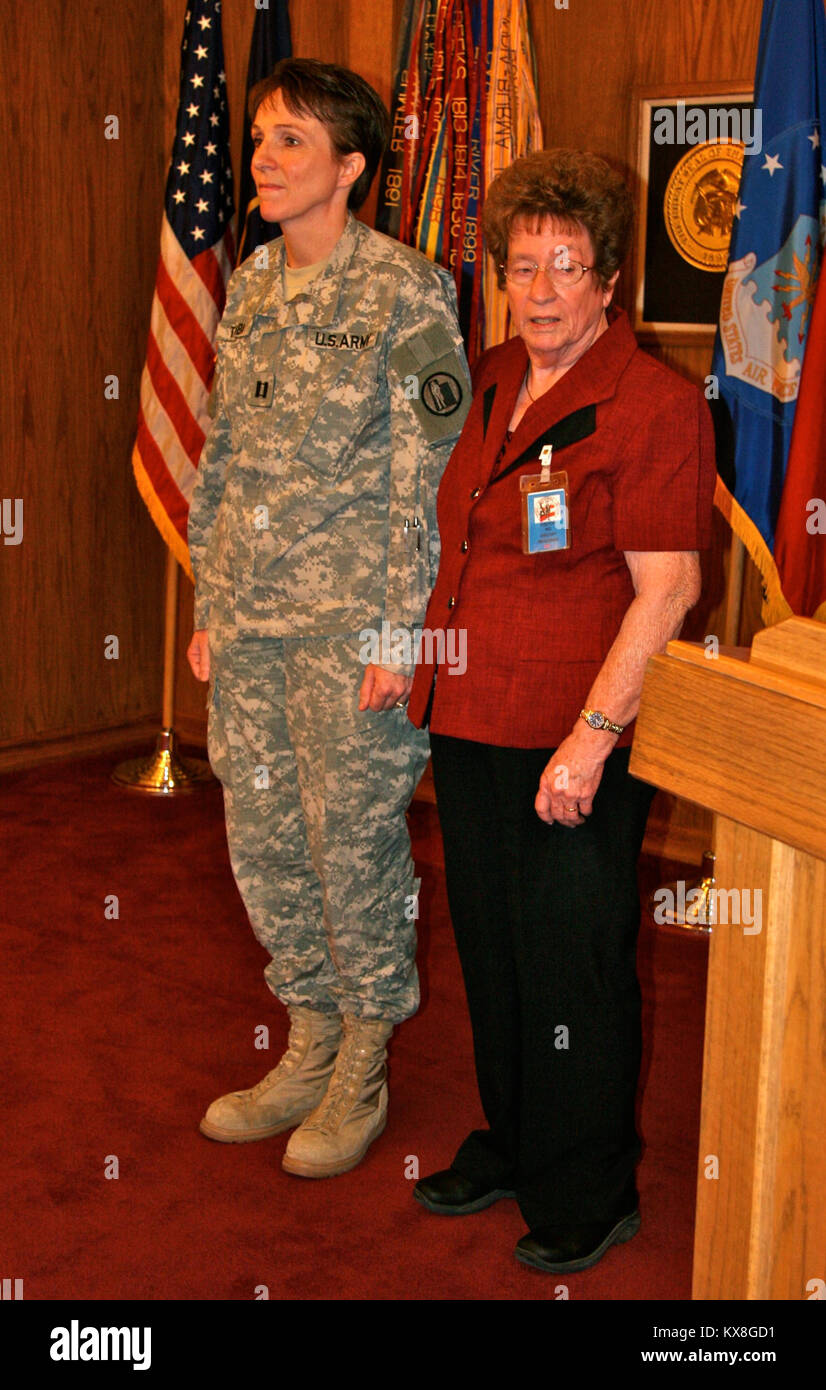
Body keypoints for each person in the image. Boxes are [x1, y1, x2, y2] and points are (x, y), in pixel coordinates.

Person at [406, 149, 716, 1271]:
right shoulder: (490, 375)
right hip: (473, 718)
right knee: (493, 949)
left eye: (565, 266)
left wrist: (590, 740)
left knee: (573, 958)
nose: (539, 290)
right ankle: (515, 1137)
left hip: (574, 732)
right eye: (520, 265)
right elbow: (466, 547)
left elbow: (667, 587)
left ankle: (589, 1186)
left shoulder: (654, 405)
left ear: (610, 281)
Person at [187, 58, 470, 1179]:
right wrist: (211, 603)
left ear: (350, 167)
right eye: (260, 137)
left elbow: (427, 472)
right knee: (261, 842)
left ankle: (365, 1056)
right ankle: (305, 1037)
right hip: (250, 622)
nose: (264, 156)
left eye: (292, 139)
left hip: (352, 627)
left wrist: (403, 631)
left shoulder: (408, 289)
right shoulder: (250, 283)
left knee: (348, 843)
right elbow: (218, 458)